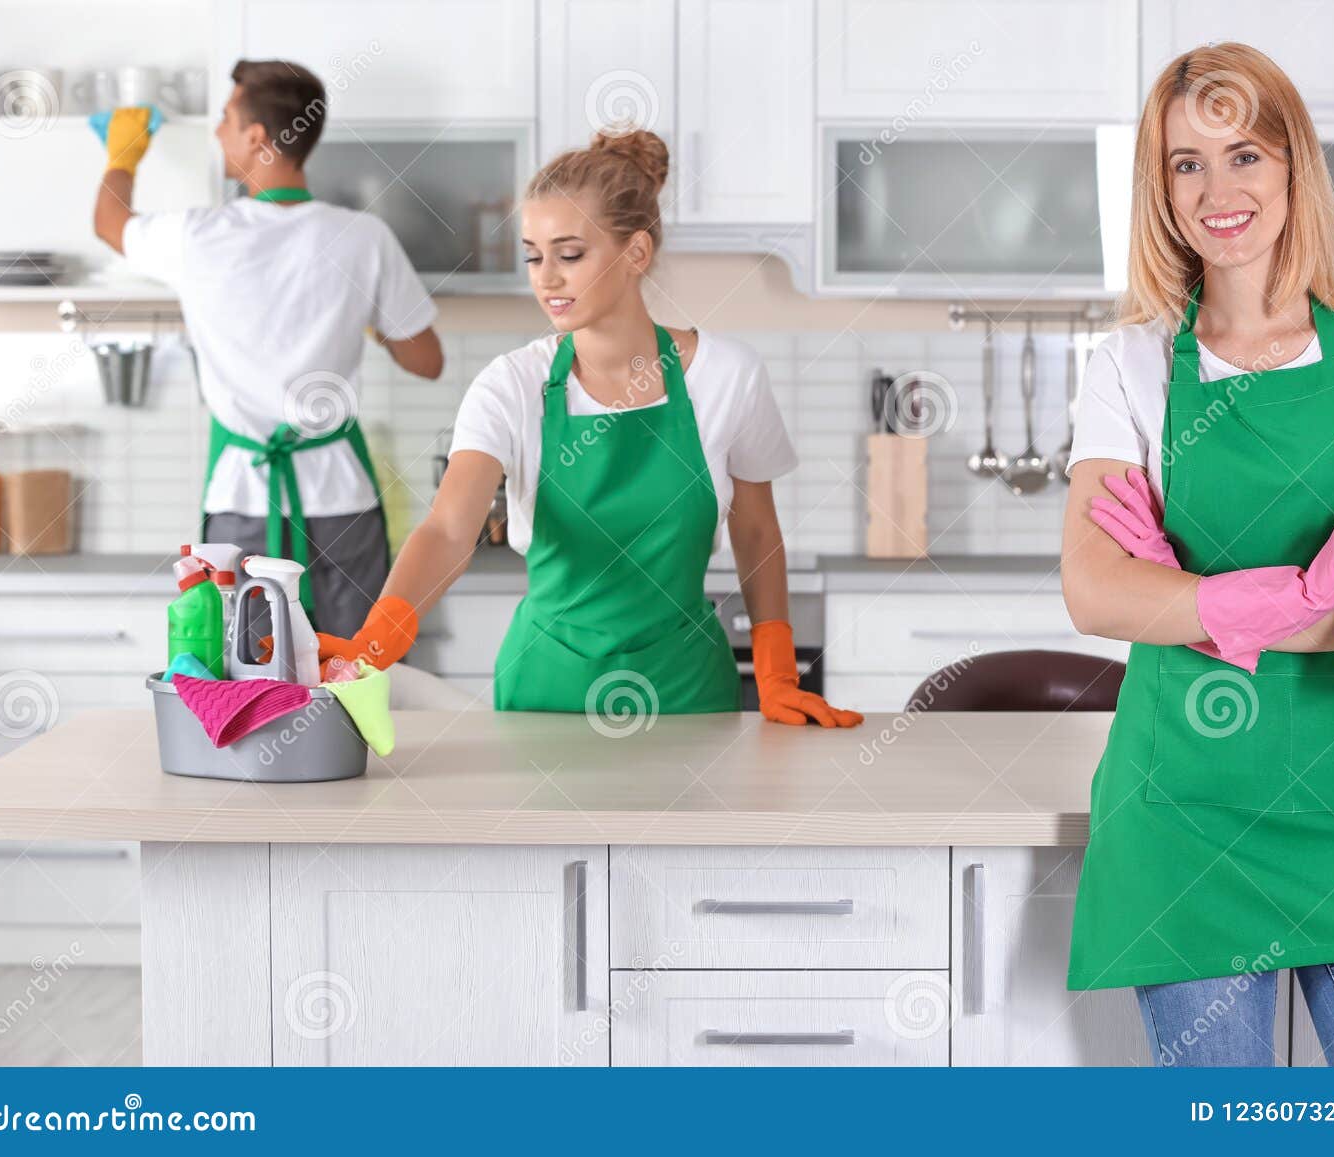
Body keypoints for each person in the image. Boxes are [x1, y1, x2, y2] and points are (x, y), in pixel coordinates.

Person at [1060, 43, 1334, 1066]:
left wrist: (1189, 599)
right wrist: (1310, 589)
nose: (1216, 189)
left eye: (1243, 153)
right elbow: (1094, 590)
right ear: (1159, 187)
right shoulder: (1130, 365)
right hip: (1182, 809)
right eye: (1185, 163)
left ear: (1292, 167)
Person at [316, 127, 860, 727]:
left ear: (636, 253)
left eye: (570, 254)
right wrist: (376, 639)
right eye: (533, 254)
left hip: (684, 693)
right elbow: (449, 529)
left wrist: (776, 672)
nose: (546, 277)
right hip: (546, 693)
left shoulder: (727, 376)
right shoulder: (510, 386)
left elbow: (757, 533)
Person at [92, 60, 444, 637]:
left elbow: (110, 222)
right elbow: (426, 361)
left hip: (242, 504)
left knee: (251, 690)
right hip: (343, 503)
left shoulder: (196, 238)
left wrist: (124, 154)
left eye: (227, 118)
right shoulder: (363, 238)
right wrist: (364, 315)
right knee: (357, 680)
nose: (217, 132)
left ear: (256, 137)